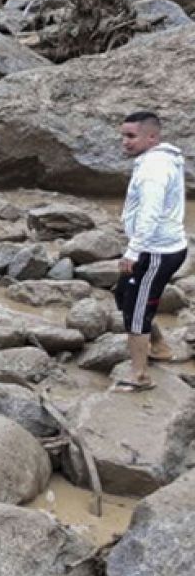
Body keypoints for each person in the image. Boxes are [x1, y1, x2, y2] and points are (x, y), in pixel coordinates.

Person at [113, 112, 186, 393]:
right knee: (123, 295)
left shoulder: (153, 170)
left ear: (152, 137)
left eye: (131, 136)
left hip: (156, 251)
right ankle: (159, 346)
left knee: (136, 311)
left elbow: (150, 215)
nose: (125, 142)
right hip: (153, 247)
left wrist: (132, 252)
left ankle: (140, 376)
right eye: (123, 135)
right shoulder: (158, 160)